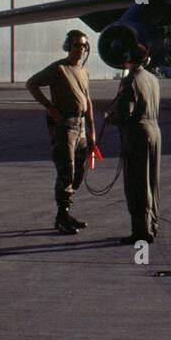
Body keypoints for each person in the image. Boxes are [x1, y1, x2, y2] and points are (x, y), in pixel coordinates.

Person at [25, 29, 97, 234]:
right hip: (64, 126)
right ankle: (62, 214)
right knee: (66, 171)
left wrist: (91, 131)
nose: (80, 49)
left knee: (79, 172)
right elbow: (31, 84)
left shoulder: (83, 71)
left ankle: (64, 214)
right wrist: (48, 106)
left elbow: (88, 101)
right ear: (68, 46)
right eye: (76, 45)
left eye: (84, 46)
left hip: (81, 126)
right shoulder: (58, 69)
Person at [106, 46, 161, 244]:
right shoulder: (152, 79)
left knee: (137, 183)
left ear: (128, 59)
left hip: (138, 134)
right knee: (151, 181)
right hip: (154, 130)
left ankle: (141, 230)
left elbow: (124, 113)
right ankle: (152, 224)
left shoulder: (130, 80)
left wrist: (111, 118)